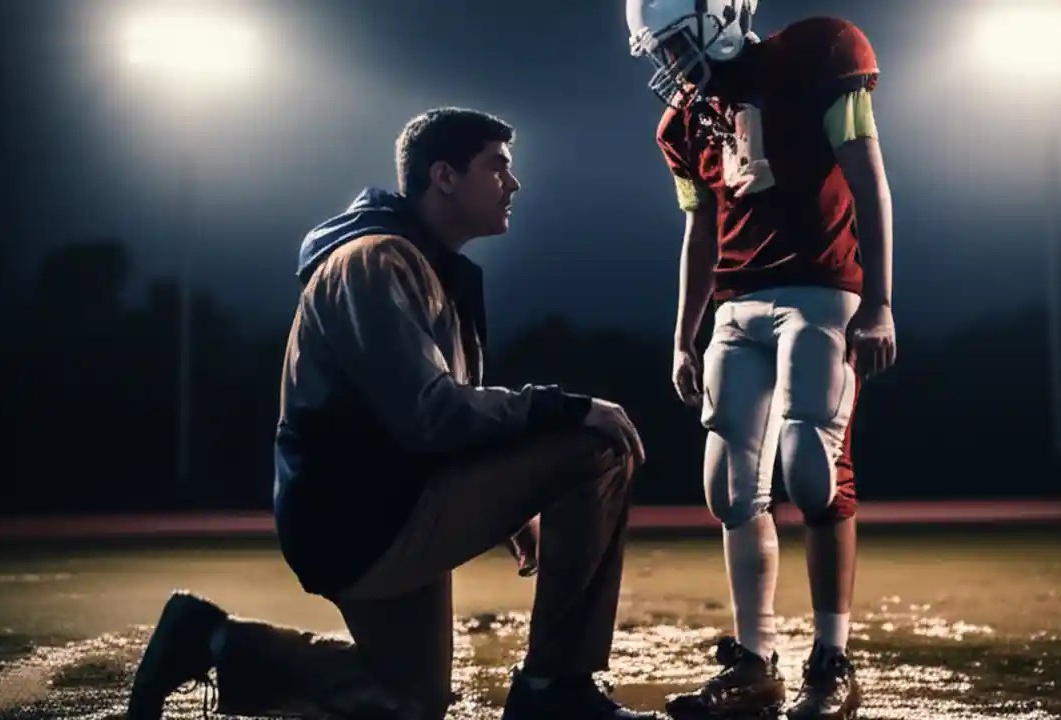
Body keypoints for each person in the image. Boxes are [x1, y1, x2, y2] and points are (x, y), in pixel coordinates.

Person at [125, 106, 661, 720]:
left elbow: (440, 416)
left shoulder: (425, 266)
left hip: (380, 503)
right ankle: (554, 691)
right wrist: (563, 406)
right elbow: (427, 413)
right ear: (445, 177)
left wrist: (512, 509)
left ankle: (212, 640)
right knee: (596, 443)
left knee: (409, 698)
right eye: (497, 168)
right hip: (363, 515)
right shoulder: (376, 260)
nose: (512, 185)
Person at [624, 1, 897, 718]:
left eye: (676, 41)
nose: (670, 62)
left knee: (812, 465)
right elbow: (701, 229)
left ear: (721, 13)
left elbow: (869, 178)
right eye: (661, 49)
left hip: (819, 290)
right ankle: (755, 660)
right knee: (728, 484)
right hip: (736, 309)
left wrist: (881, 301)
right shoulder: (683, 121)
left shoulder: (817, 54)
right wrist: (684, 331)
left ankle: (833, 659)